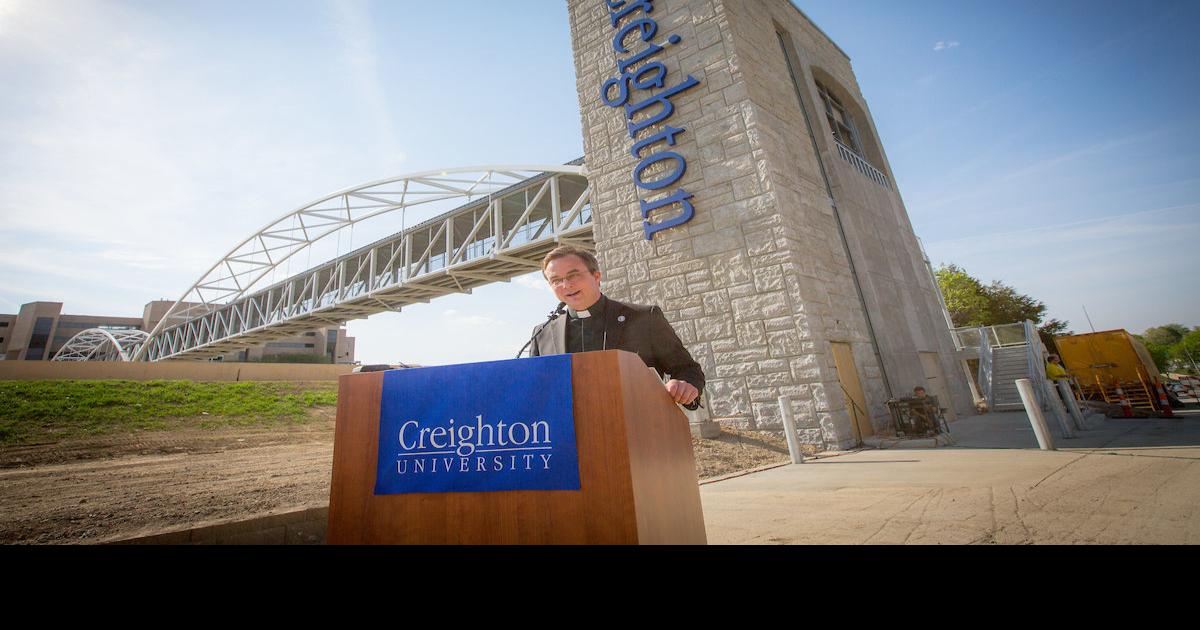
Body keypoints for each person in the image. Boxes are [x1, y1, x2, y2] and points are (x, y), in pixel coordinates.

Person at [529, 245, 705, 410]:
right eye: (556, 280)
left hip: (638, 430)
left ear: (596, 276)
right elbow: (536, 391)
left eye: (573, 275)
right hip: (567, 437)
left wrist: (685, 385)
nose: (566, 285)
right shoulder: (542, 334)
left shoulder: (644, 318)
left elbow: (688, 370)